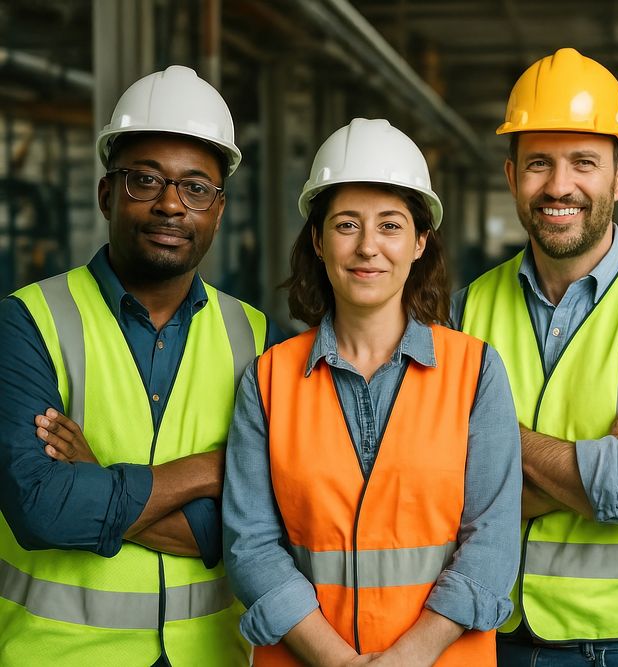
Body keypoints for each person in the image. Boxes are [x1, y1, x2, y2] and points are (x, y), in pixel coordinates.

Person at [0, 65, 283, 665]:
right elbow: (42, 510)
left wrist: (96, 479)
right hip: (62, 655)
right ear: (107, 194)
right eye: (145, 181)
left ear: (219, 208)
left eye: (195, 187)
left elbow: (274, 518)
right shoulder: (26, 322)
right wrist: (213, 471)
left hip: (213, 656)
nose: (171, 205)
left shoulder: (257, 337)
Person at [453, 48, 618, 666]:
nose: (559, 186)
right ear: (510, 174)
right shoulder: (465, 309)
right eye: (539, 164)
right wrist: (606, 450)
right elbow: (436, 487)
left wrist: (491, 437)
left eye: (584, 163)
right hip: (491, 640)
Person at [222, 118, 521, 666]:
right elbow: (252, 547)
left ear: (418, 242)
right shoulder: (267, 379)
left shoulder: (475, 371)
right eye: (345, 225)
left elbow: (494, 541)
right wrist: (337, 662)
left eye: (389, 225)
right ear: (317, 240)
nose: (367, 248)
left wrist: (408, 657)